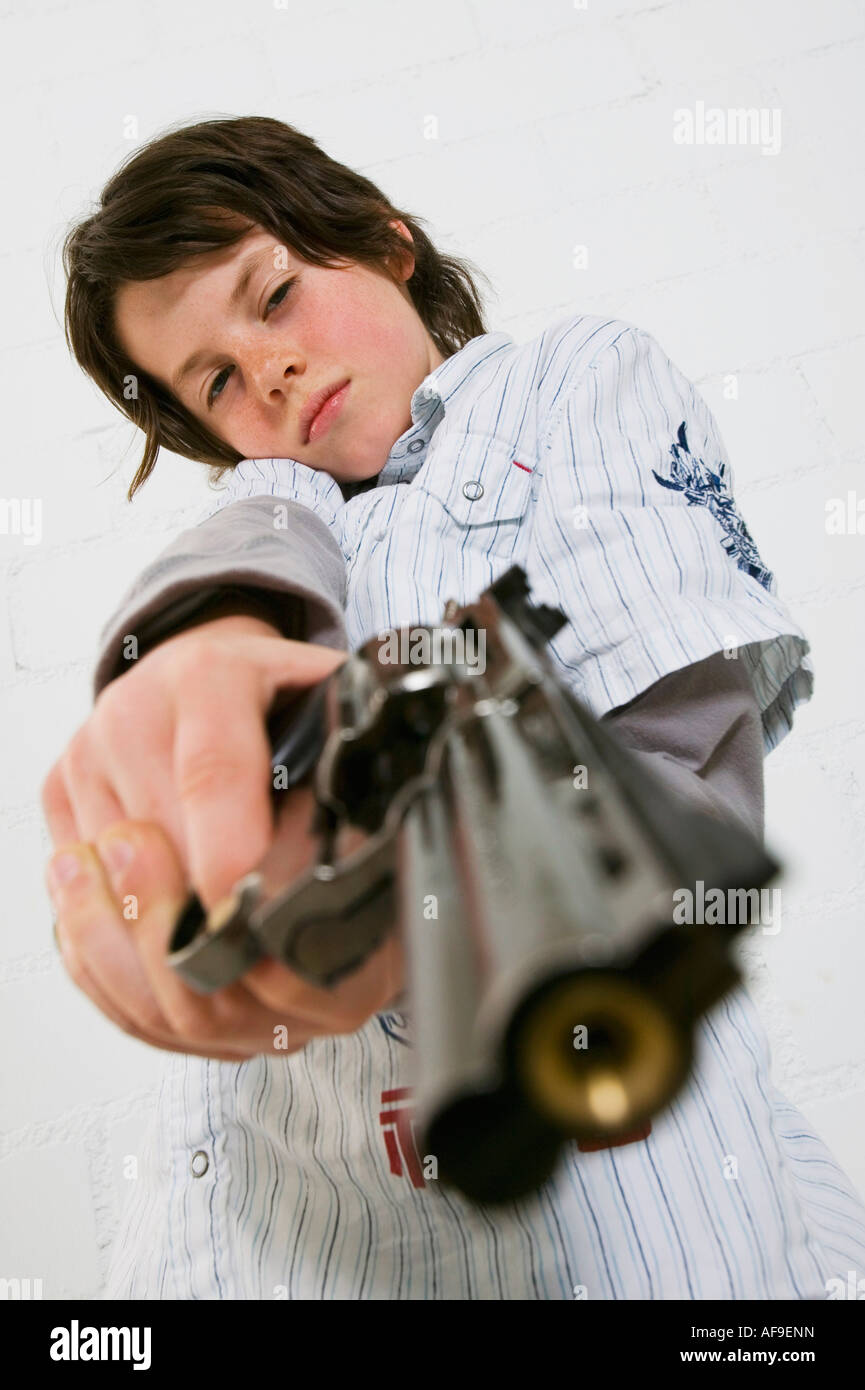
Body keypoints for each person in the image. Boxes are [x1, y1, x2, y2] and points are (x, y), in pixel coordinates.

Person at [43, 115, 865, 1299]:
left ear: (388, 245)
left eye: (271, 298)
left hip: (629, 1234)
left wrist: (422, 900)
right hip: (262, 1246)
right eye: (213, 378)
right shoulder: (269, 514)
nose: (264, 370)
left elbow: (680, 773)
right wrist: (202, 653)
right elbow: (251, 542)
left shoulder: (563, 385)